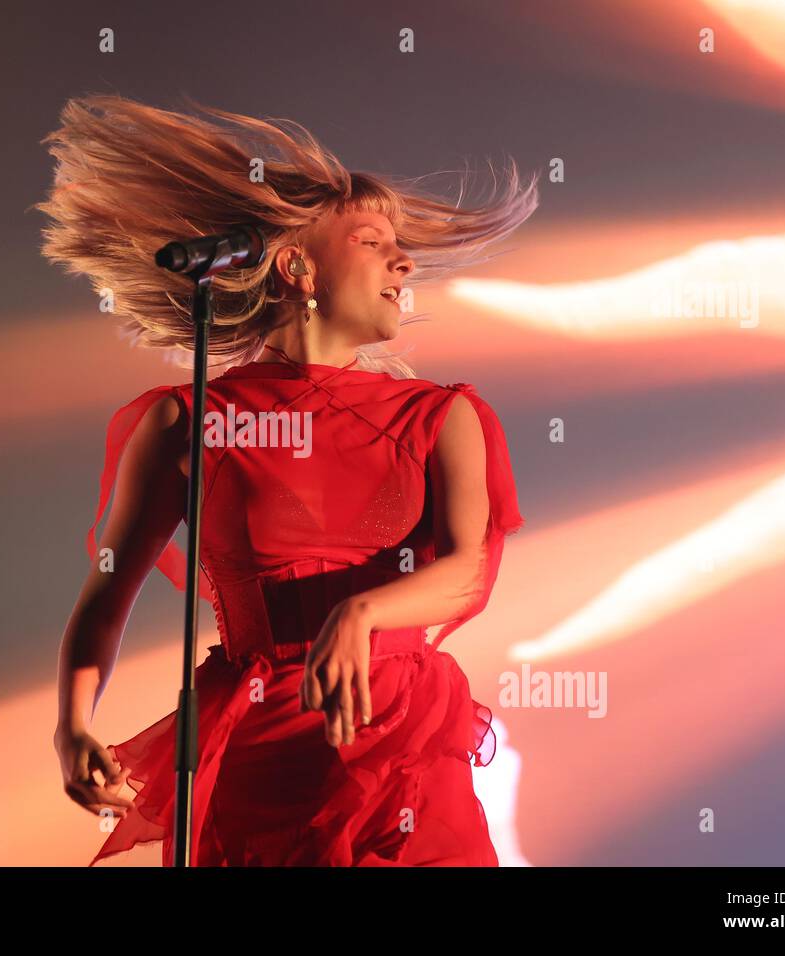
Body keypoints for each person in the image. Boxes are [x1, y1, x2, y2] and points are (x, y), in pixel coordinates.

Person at [37, 94, 535, 866]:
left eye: (399, 246)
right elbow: (109, 589)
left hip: (401, 740)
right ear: (298, 263)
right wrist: (71, 725)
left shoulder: (442, 417)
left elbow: (467, 573)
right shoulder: (187, 421)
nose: (403, 262)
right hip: (257, 751)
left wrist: (362, 614)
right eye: (373, 241)